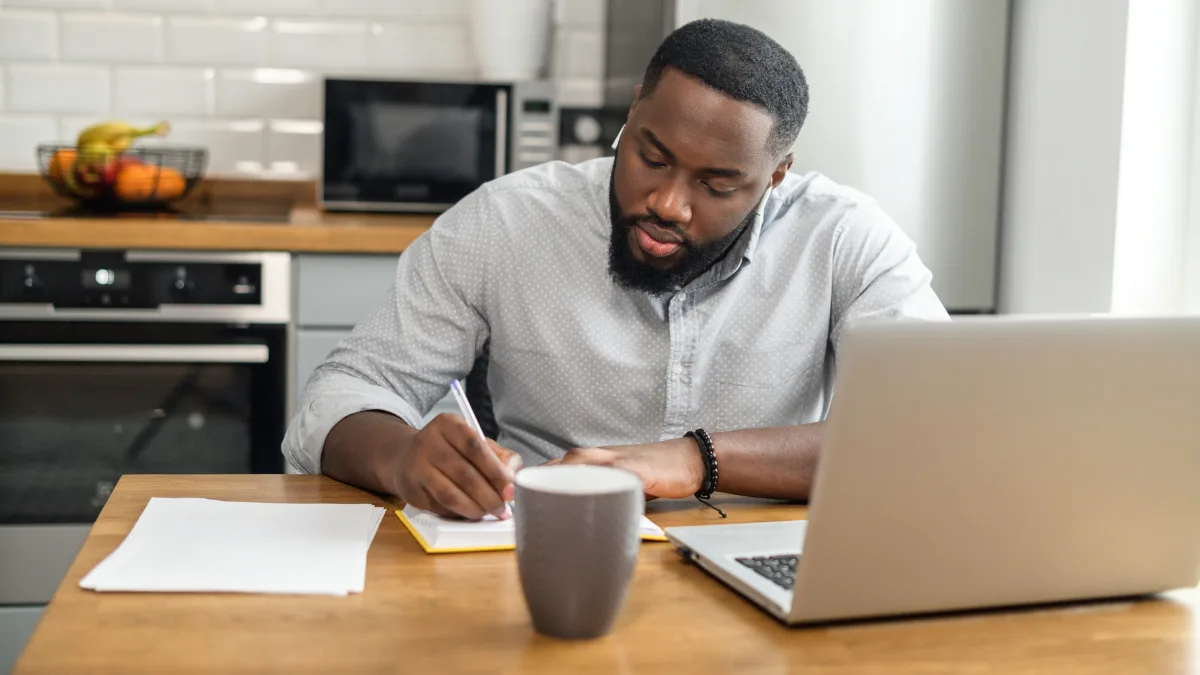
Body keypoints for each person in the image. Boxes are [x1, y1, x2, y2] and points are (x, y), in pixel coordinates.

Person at [282, 19, 948, 520]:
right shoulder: (505, 221)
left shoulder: (842, 238)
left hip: (763, 570)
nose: (667, 203)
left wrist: (694, 459)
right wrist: (400, 456)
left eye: (717, 185)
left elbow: (935, 430)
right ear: (633, 112)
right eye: (652, 157)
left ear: (775, 177)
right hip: (544, 555)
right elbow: (337, 396)